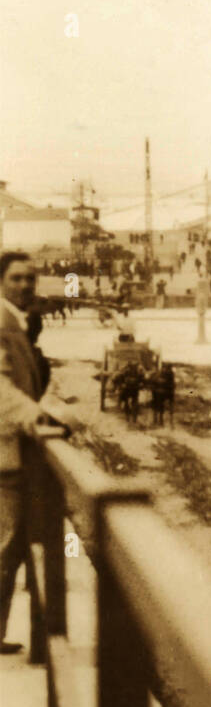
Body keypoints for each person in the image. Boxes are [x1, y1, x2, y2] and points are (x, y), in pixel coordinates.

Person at [0, 252, 73, 653]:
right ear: (1, 282)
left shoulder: (16, 322)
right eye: (16, 278)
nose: (26, 285)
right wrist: (39, 419)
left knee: (12, 547)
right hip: (5, 453)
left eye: (31, 278)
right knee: (6, 544)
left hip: (12, 452)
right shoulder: (2, 323)